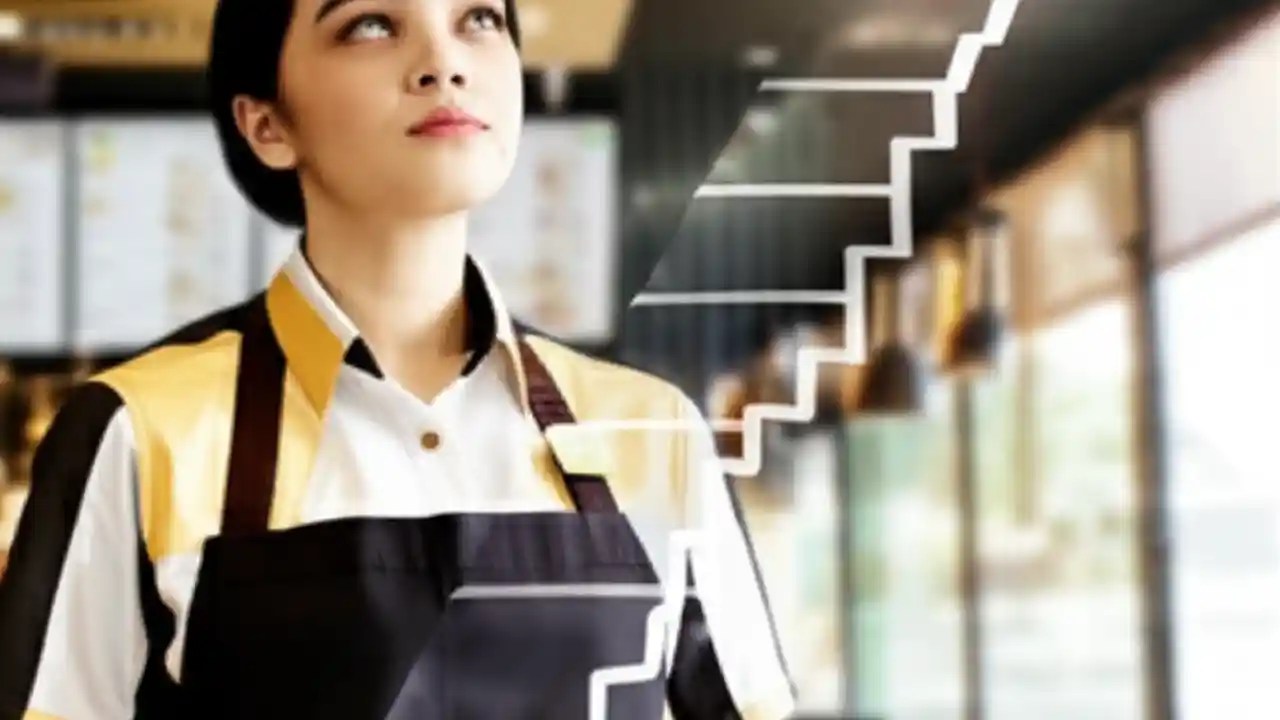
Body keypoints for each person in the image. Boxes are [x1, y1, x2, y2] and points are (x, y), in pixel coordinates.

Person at [0, 1, 796, 718]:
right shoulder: (138, 433)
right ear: (267, 125)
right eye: (371, 25)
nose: (443, 61)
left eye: (479, 19)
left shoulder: (652, 428)